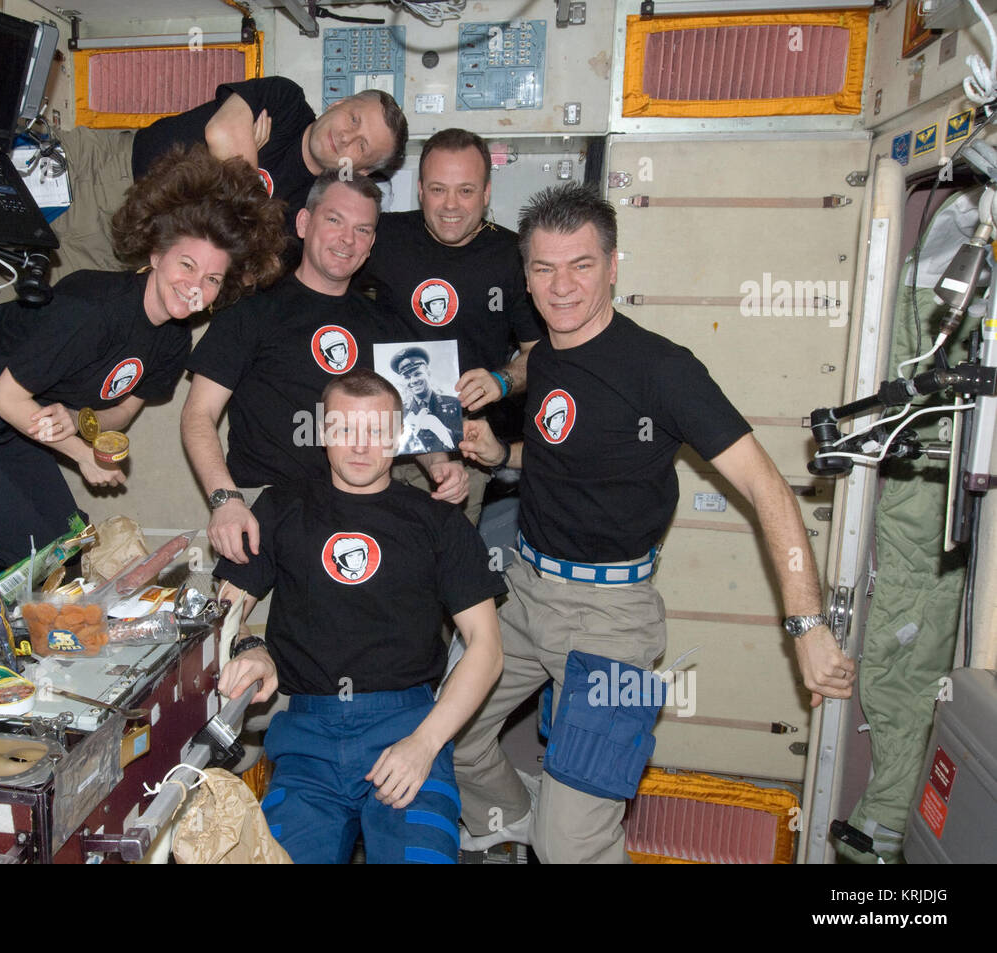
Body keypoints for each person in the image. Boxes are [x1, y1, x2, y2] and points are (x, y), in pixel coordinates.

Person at [453, 183, 858, 863]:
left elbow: (769, 489)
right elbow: (551, 413)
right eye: (544, 268)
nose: (562, 287)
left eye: (581, 265)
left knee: (570, 846)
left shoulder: (663, 371)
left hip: (612, 618)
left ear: (614, 266)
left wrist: (807, 625)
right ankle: (514, 820)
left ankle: (551, 835)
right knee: (455, 740)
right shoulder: (547, 352)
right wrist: (501, 441)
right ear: (526, 276)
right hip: (520, 592)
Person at [0, 146, 286, 570]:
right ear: (157, 255)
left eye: (212, 278)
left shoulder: (174, 339)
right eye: (187, 264)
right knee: (34, 558)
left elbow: (121, 411)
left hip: (13, 430)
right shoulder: (94, 312)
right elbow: (6, 399)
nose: (196, 285)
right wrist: (82, 454)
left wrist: (80, 418)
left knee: (70, 547)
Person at [214, 369, 505, 864]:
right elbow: (224, 609)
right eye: (345, 429)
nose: (359, 446)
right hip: (307, 737)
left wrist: (426, 743)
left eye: (375, 431)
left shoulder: (436, 521)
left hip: (409, 727)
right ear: (323, 431)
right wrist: (250, 646)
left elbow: (487, 647)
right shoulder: (283, 506)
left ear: (398, 437)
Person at [181, 171, 468, 567]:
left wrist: (442, 466)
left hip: (359, 510)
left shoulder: (388, 326)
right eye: (334, 220)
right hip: (261, 512)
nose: (347, 239)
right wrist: (224, 500)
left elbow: (415, 424)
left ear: (370, 245)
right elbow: (198, 414)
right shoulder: (250, 312)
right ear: (303, 223)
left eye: (362, 229)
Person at [356, 128, 541, 524]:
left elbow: (538, 354)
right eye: (439, 190)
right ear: (420, 190)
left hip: (461, 452)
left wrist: (503, 380)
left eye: (466, 191)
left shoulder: (512, 256)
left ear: (487, 193)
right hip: (375, 441)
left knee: (445, 572)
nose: (451, 205)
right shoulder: (383, 237)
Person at [51, 77, 408, 279]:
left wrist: (240, 161)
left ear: (360, 172)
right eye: (354, 120)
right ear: (338, 104)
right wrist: (253, 213)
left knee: (2, 290)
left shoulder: (307, 212)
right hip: (103, 169)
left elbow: (251, 269)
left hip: (120, 249)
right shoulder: (287, 101)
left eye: (362, 147)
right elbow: (221, 132)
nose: (346, 137)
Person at [390, 346, 463, 454]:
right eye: (407, 377)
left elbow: (467, 436)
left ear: (428, 373)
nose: (413, 380)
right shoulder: (400, 412)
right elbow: (395, 449)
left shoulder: (454, 403)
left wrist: (447, 432)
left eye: (418, 374)